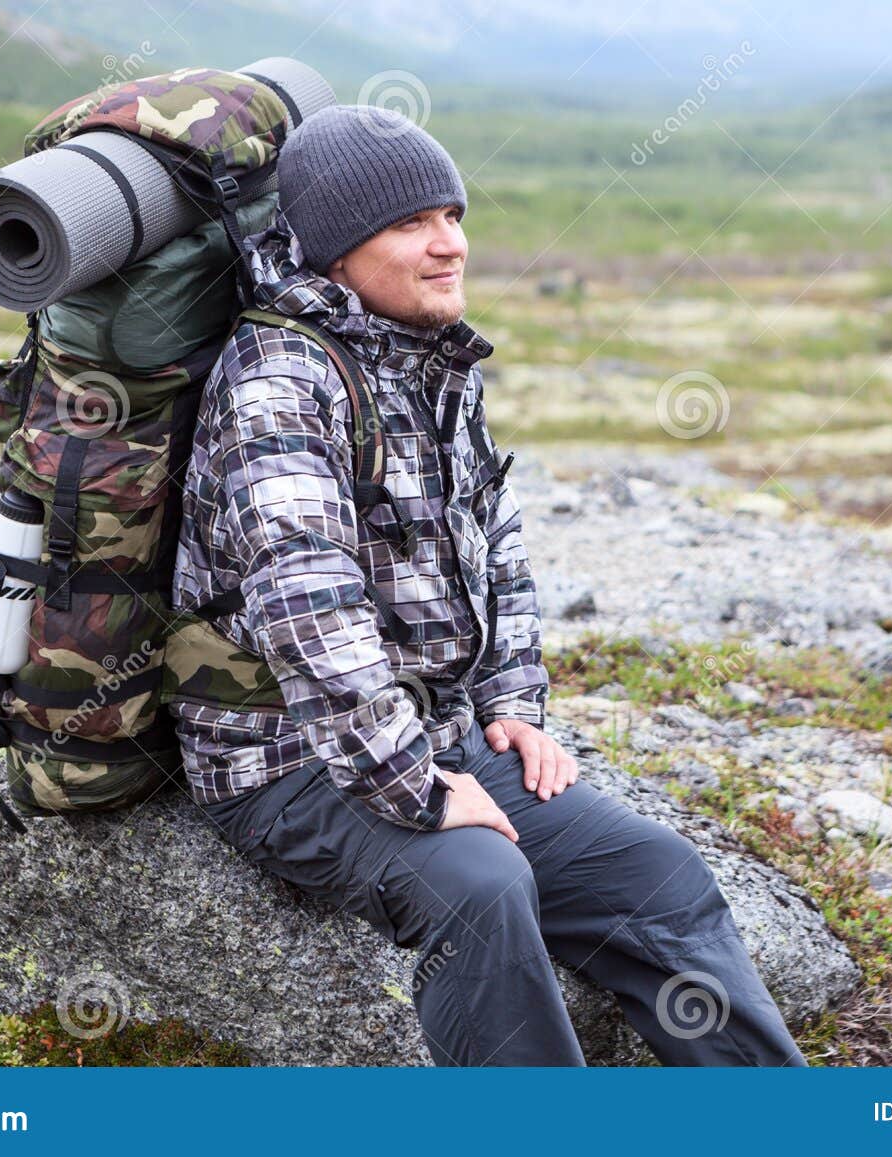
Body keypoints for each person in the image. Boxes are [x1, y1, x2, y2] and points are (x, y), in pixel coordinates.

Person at [170, 103, 807, 1067]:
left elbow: (494, 542)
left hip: (439, 725)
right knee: (482, 886)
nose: (449, 244)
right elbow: (308, 609)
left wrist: (512, 703)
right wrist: (417, 789)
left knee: (659, 877)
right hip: (287, 757)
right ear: (336, 252)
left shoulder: (432, 359)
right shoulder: (278, 383)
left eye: (453, 215)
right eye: (410, 223)